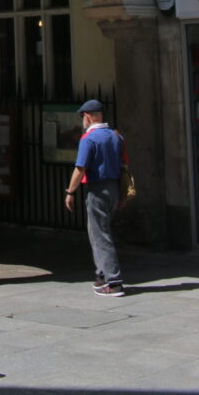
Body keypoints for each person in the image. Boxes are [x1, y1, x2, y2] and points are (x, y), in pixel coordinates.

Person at [64, 98, 125, 296]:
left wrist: (70, 192)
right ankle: (101, 275)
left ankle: (114, 281)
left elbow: (80, 168)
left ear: (88, 117)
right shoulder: (116, 135)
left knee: (100, 235)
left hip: (98, 188)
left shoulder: (88, 139)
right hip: (114, 187)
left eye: (83, 116)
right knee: (97, 231)